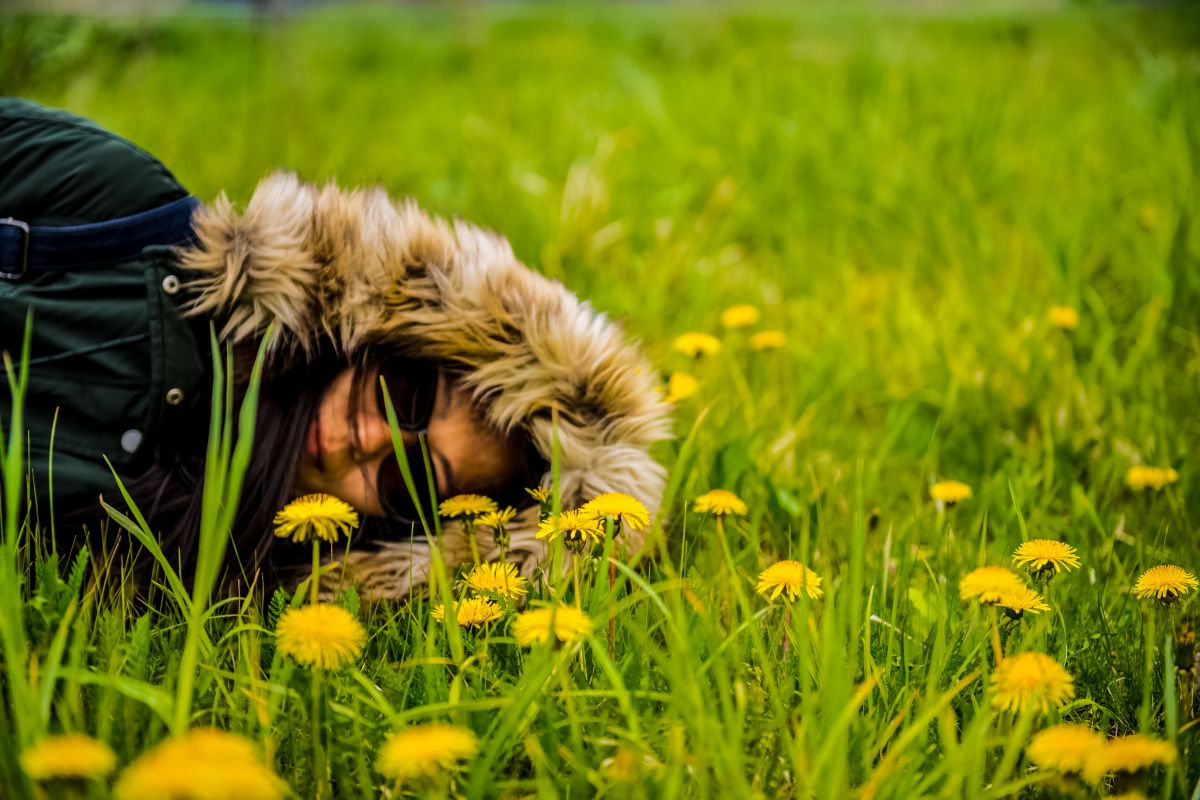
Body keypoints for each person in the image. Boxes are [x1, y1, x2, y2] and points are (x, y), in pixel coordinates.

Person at [0, 98, 670, 599]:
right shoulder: (123, 214)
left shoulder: (200, 595)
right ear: (386, 333)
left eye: (411, 482)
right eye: (407, 396)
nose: (369, 440)